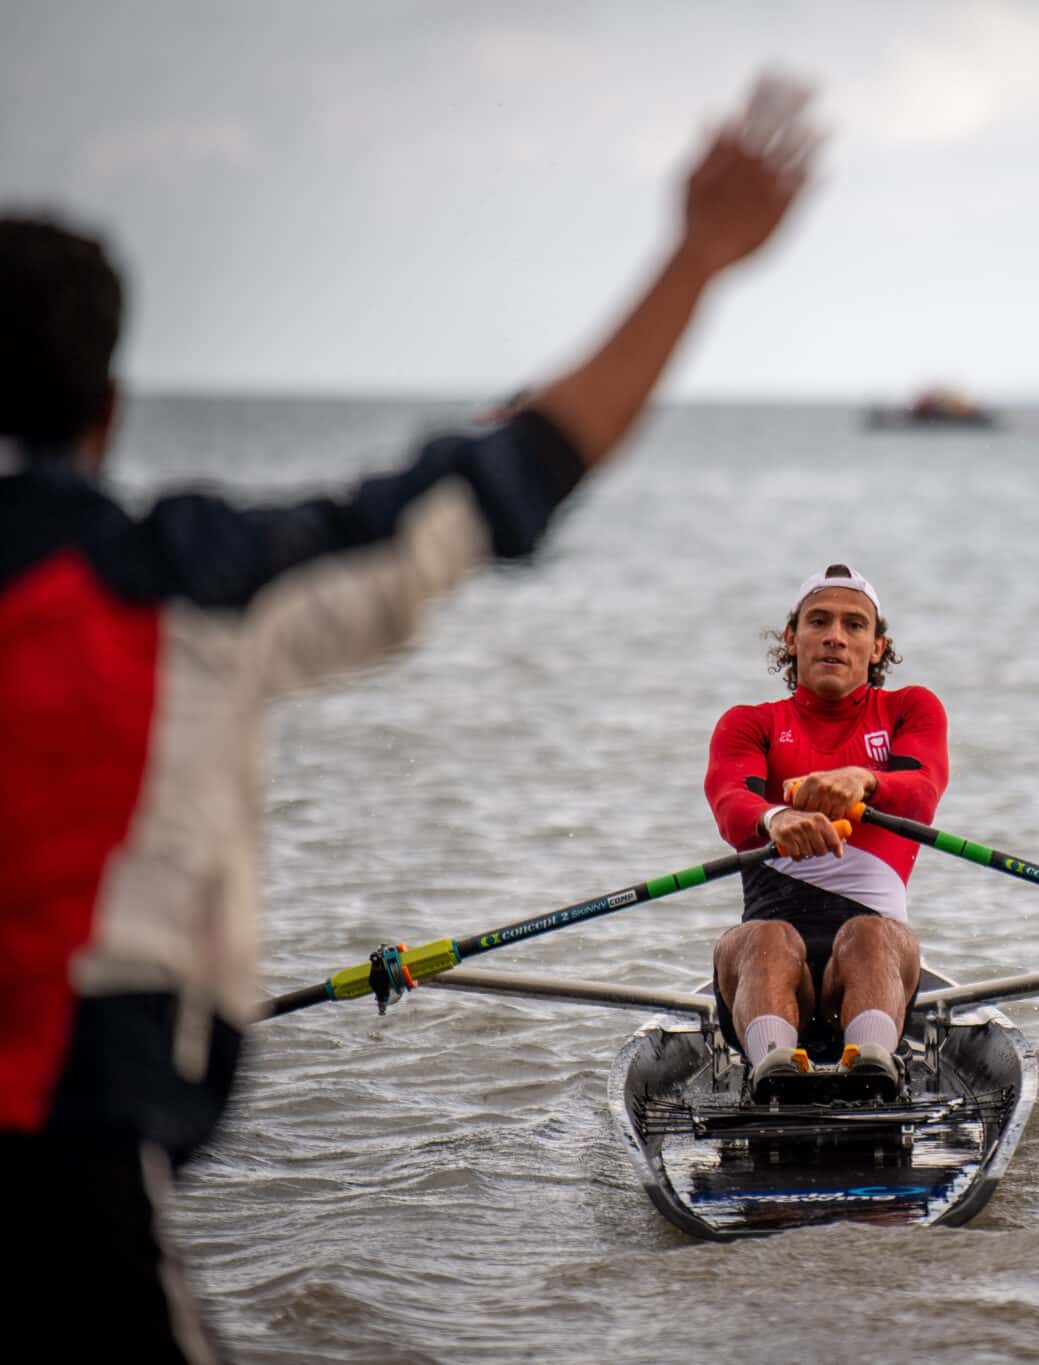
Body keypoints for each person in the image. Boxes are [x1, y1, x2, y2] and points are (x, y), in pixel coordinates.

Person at [1, 76, 816, 1361]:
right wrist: (699, 255)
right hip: (63, 1169)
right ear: (106, 409)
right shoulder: (189, 589)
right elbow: (484, 492)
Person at [703, 564, 947, 1099]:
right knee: (769, 937)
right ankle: (774, 1068)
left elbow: (921, 791)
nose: (836, 635)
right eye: (819, 621)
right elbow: (730, 803)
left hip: (869, 962)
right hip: (766, 960)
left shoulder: (911, 709)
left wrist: (863, 781)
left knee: (869, 934)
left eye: (855, 625)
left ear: (878, 648)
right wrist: (777, 818)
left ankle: (873, 1068)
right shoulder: (750, 723)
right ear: (792, 639)